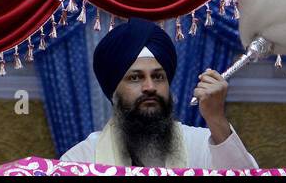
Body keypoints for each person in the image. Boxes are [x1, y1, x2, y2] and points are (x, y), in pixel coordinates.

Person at [59, 18, 258, 169]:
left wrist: (216, 118)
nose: (150, 87)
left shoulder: (201, 144)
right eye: (135, 78)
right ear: (113, 91)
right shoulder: (80, 161)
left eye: (158, 77)